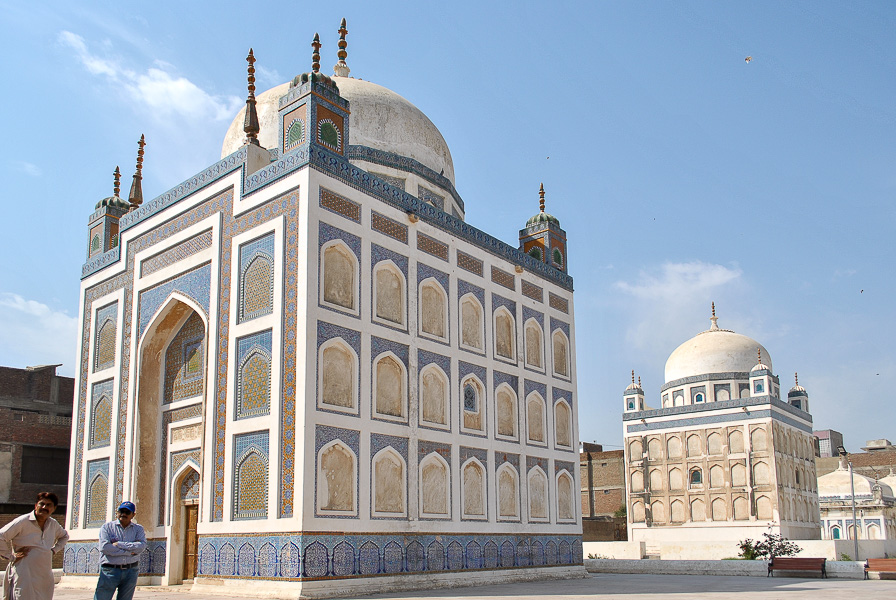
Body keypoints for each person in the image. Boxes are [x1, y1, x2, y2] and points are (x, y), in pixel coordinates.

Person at [0, 491, 69, 600]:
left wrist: (54, 550)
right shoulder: (23, 521)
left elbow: (64, 536)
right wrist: (10, 556)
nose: (44, 507)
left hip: (44, 575)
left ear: (54, 508)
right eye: (42, 504)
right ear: (36, 505)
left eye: (49, 505)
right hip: (24, 573)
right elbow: (1, 536)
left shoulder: (53, 524)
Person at [93, 501, 146, 600]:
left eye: (127, 512)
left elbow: (141, 546)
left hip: (131, 571)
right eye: (121, 511)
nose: (123, 514)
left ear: (133, 515)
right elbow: (105, 548)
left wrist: (120, 544)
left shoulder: (138, 529)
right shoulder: (107, 527)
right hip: (110, 571)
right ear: (117, 512)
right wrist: (129, 552)